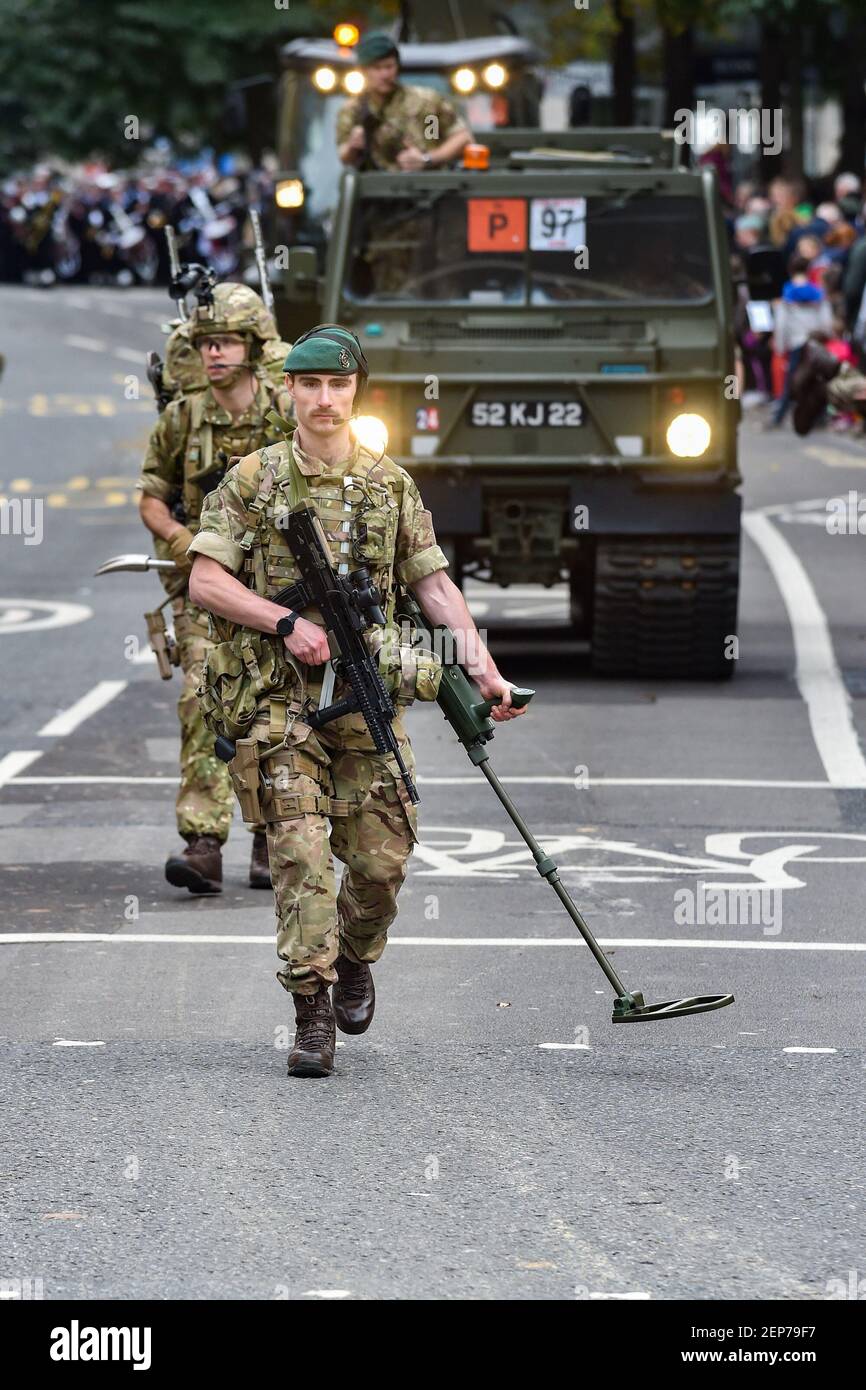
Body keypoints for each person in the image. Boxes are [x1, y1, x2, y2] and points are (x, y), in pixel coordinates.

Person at [187, 325, 526, 1078]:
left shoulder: (389, 484)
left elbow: (434, 586)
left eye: (338, 386)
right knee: (301, 854)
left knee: (382, 864)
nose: (324, 400)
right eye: (309, 385)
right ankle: (312, 1009)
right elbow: (206, 581)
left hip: (364, 697)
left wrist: (486, 672)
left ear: (355, 393)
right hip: (279, 705)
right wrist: (284, 622)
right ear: (289, 392)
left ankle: (355, 952)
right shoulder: (254, 479)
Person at [137, 283, 293, 895]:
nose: (215, 355)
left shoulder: (285, 410)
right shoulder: (182, 417)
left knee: (277, 705)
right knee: (204, 694)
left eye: (226, 343)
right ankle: (203, 841)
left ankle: (268, 838)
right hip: (205, 586)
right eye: (206, 345)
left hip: (277, 588)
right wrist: (182, 542)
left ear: (253, 348)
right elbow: (152, 498)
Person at [336, 32, 471, 172]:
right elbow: (344, 157)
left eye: (389, 67)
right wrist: (353, 145)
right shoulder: (353, 110)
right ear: (363, 70)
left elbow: (462, 138)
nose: (384, 75)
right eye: (377, 68)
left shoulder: (426, 102)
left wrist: (427, 158)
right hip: (376, 188)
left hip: (430, 186)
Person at [768, 254, 833, 428]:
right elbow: (826, 319)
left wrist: (780, 344)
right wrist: (827, 334)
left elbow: (781, 322)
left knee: (791, 380)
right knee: (817, 379)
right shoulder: (817, 292)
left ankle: (778, 417)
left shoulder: (788, 292)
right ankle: (821, 417)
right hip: (815, 341)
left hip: (796, 341)